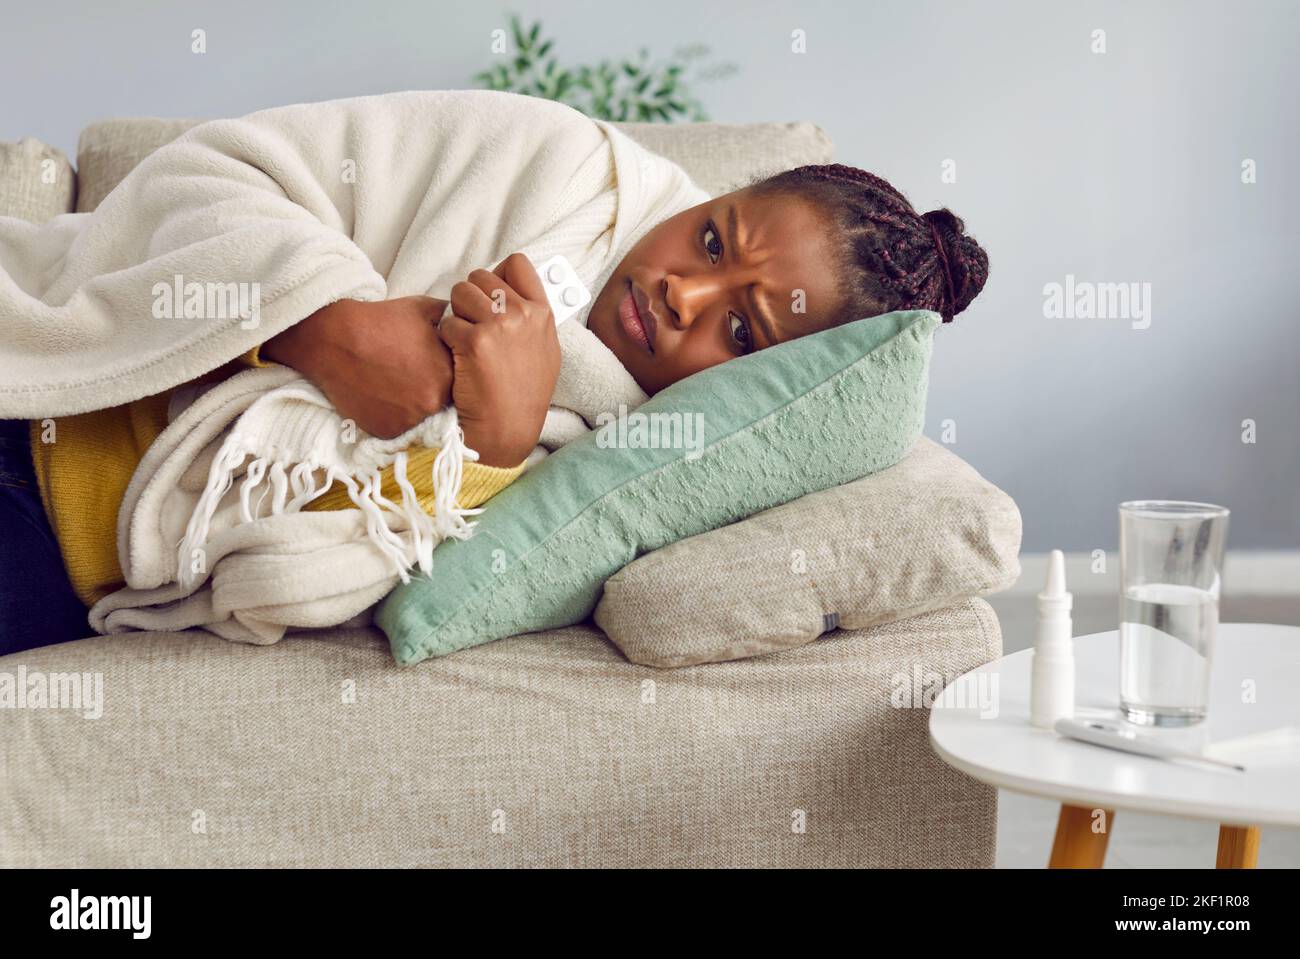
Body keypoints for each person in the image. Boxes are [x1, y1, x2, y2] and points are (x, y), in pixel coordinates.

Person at [0, 131, 988, 654]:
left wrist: (492, 445)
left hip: (68, 540)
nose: (682, 290)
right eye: (714, 238)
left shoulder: (621, 447)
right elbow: (216, 172)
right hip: (47, 387)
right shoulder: (559, 169)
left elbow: (324, 570)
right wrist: (319, 320)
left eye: (741, 330)